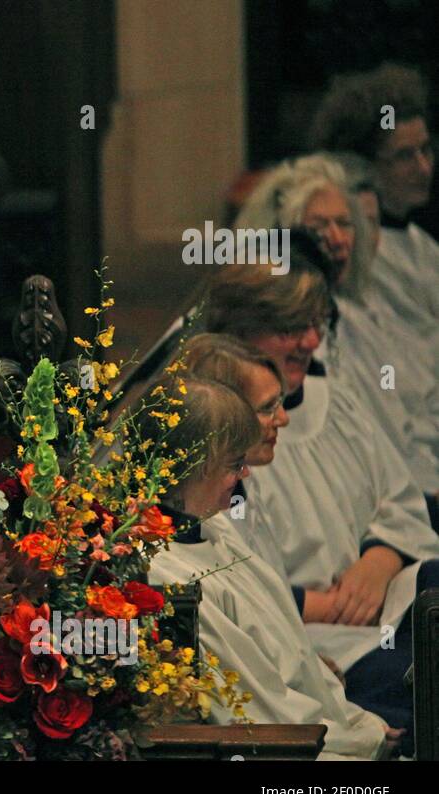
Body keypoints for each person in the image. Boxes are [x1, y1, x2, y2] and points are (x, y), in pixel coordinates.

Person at [201, 260, 439, 748]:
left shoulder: (337, 402)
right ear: (239, 334)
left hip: (381, 598)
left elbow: (398, 500)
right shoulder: (226, 458)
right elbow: (243, 588)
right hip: (320, 633)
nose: (311, 342)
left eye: (317, 324)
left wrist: (381, 559)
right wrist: (325, 605)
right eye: (292, 328)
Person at [140, 375, 392, 760]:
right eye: (234, 464)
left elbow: (286, 647)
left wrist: (353, 719)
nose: (246, 475)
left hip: (324, 719)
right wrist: (361, 737)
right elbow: (254, 710)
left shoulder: (213, 526)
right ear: (194, 465)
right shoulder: (170, 576)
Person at [233, 154, 439, 498]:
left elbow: (406, 422)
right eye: (319, 226)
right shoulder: (278, 343)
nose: (337, 239)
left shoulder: (365, 314)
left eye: (345, 223)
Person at [309, 63, 439, 335]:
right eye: (404, 156)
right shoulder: (353, 254)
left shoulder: (423, 245)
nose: (424, 167)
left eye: (426, 149)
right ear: (364, 165)